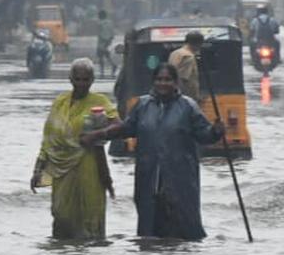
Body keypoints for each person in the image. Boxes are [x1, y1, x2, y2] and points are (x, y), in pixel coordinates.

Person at [81, 63, 224, 241]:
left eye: (167, 80)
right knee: (149, 237)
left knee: (184, 237)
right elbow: (125, 129)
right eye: (159, 79)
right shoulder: (142, 105)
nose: (163, 83)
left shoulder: (188, 107)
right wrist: (98, 134)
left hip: (180, 183)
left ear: (176, 82)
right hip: (148, 180)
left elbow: (205, 136)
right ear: (153, 82)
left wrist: (216, 131)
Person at [30, 58, 117, 240]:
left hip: (89, 165)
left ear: (92, 80)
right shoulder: (60, 102)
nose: (81, 84)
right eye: (78, 79)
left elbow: (118, 126)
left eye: (86, 80)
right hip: (61, 170)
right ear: (70, 79)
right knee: (61, 215)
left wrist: (96, 134)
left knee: (89, 216)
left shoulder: (99, 102)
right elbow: (49, 140)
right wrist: (38, 169)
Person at [167, 30, 203, 101]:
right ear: (198, 44)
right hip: (185, 99)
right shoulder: (188, 56)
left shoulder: (175, 53)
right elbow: (182, 79)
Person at [96, 10, 116, 78]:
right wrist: (109, 40)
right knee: (107, 55)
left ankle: (102, 72)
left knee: (101, 57)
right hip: (108, 41)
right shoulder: (110, 23)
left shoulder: (100, 23)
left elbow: (99, 33)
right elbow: (113, 33)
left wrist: (102, 41)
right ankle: (113, 65)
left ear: (100, 16)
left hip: (101, 42)